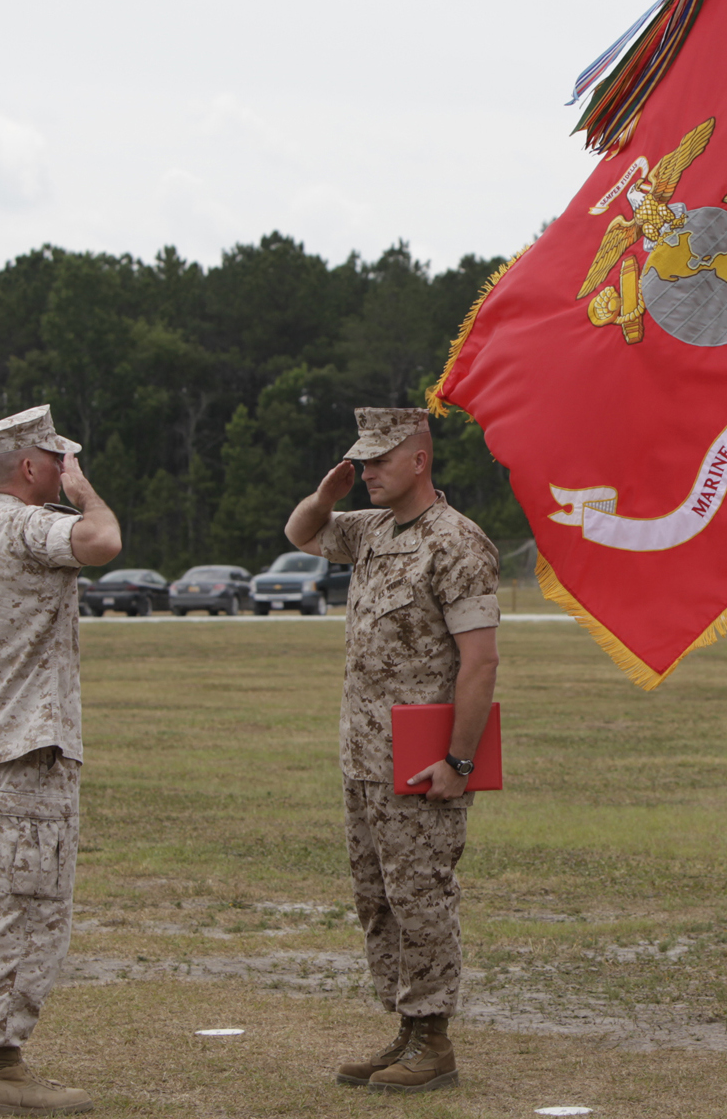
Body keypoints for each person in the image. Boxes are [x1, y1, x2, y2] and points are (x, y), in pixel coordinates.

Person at [283, 407, 500, 1095]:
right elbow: (301, 532)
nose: (365, 472)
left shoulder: (456, 543)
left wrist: (458, 763)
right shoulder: (371, 529)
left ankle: (434, 1041)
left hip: (422, 759)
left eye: (378, 461)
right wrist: (326, 493)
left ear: (419, 460)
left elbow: (481, 663)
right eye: (361, 461)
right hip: (364, 756)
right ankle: (406, 1027)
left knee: (421, 895)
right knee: (376, 898)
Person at [0, 405, 120, 1116]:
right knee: (26, 902)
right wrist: (87, 490)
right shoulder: (28, 527)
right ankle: (0, 1067)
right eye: (57, 460)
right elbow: (102, 539)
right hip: (28, 750)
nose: (66, 471)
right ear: (33, 467)